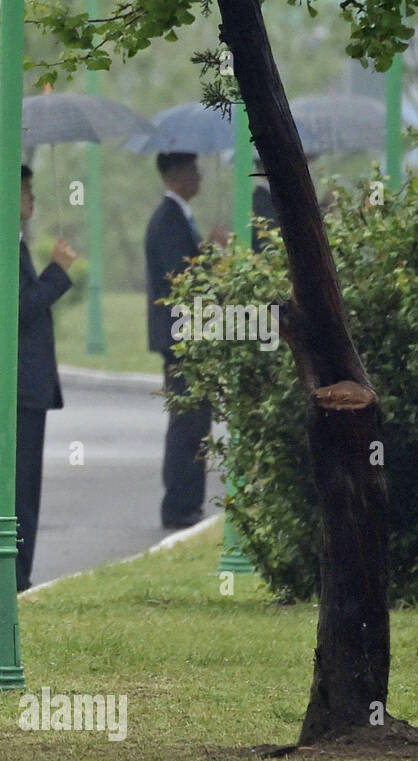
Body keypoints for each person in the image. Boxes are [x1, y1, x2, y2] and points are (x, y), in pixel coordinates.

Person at [0, 163, 77, 592]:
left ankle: (17, 573)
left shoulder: (12, 243)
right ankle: (6, 575)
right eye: (26, 191)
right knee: (11, 483)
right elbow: (20, 308)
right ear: (7, 195)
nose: (33, 198)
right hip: (11, 384)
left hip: (25, 385)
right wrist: (58, 271)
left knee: (23, 484)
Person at [144, 152, 228, 529]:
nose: (200, 178)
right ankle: (178, 505)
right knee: (187, 422)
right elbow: (180, 276)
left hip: (189, 334)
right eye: (195, 171)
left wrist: (207, 251)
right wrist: (210, 254)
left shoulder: (178, 218)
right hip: (180, 336)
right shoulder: (168, 221)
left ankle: (187, 502)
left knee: (195, 421)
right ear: (176, 175)